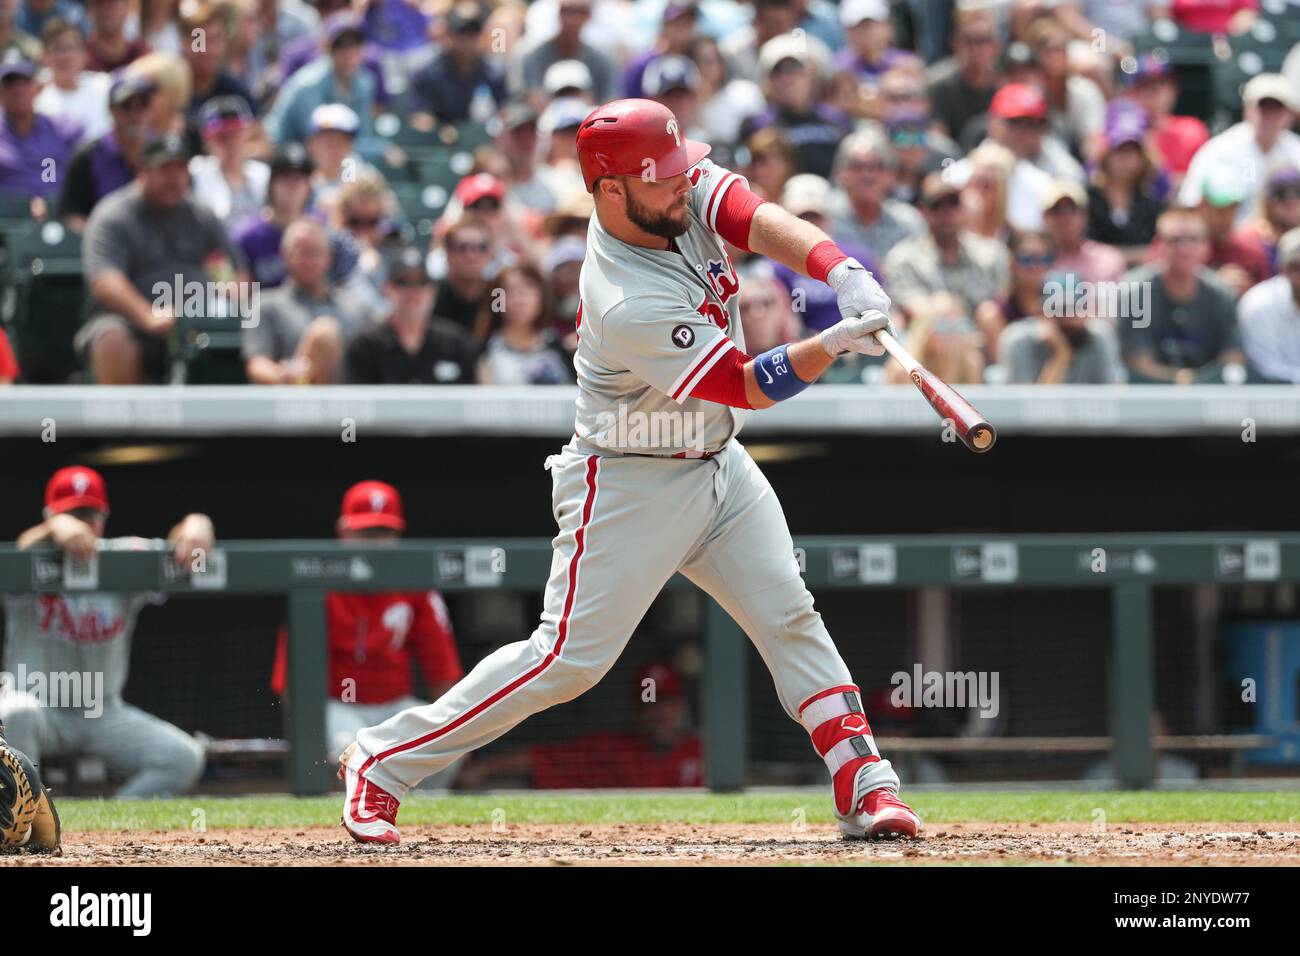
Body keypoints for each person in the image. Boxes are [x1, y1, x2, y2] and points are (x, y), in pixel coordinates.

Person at [338, 98, 922, 845]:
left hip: (718, 462)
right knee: (566, 660)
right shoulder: (620, 296)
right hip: (630, 477)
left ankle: (863, 779)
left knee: (789, 614)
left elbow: (751, 213)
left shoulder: (669, 191)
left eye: (684, 170)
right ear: (610, 190)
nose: (686, 185)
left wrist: (839, 268)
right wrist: (833, 346)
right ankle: (383, 759)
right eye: (665, 179)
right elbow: (744, 384)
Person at [0, 465, 210, 798]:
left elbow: (178, 549)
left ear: (104, 518)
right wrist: (54, 528)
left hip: (102, 709)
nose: (83, 523)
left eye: (91, 514)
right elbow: (22, 548)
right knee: (14, 713)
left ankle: (109, 822)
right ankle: (29, 819)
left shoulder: (120, 557)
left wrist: (197, 524)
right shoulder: (34, 553)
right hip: (38, 705)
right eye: (73, 513)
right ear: (50, 516)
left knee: (183, 758)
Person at [270, 480, 464, 762]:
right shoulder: (318, 584)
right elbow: (290, 683)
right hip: (337, 706)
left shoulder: (416, 584)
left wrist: (453, 734)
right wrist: (307, 742)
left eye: (383, 532)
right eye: (366, 532)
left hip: (396, 706)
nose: (375, 542)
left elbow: (443, 675)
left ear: (398, 534)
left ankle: (413, 805)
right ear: (343, 532)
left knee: (445, 749)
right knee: (352, 750)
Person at [78, 134, 239, 385]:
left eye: (181, 169)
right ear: (142, 170)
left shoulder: (202, 216)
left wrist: (226, 302)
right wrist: (148, 315)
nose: (174, 179)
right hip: (135, 325)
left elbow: (231, 273)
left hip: (198, 323)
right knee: (111, 338)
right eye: (165, 169)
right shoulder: (113, 216)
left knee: (250, 329)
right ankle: (122, 423)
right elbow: (105, 281)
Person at [454, 664, 704, 789]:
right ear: (636, 711)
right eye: (651, 704)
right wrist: (484, 769)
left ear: (681, 706)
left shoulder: (704, 752)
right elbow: (538, 759)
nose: (659, 713)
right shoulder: (613, 750)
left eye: (667, 702)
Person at [242, 218, 379, 385]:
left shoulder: (357, 307)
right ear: (285, 256)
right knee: (324, 335)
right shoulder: (264, 304)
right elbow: (257, 364)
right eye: (301, 252)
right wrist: (285, 376)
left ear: (329, 258)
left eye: (315, 253)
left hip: (352, 406)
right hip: (292, 402)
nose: (309, 261)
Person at [1119, 207, 1244, 384]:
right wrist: (1180, 380)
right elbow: (1136, 362)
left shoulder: (1220, 294)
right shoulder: (1136, 292)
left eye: (1193, 240)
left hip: (1209, 397)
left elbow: (1233, 358)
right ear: (1159, 245)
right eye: (1175, 240)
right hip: (1148, 397)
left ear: (1206, 246)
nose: (1185, 249)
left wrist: (1195, 382)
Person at [883, 171, 1010, 322]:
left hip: (982, 339)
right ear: (923, 211)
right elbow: (916, 310)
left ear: (962, 207)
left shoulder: (991, 255)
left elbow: (1003, 304)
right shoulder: (903, 259)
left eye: (953, 203)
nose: (946, 212)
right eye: (936, 205)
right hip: (932, 338)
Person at [343, 246, 478, 385]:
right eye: (402, 282)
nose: (413, 291)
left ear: (433, 290)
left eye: (422, 282)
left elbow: (471, 399)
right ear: (386, 289)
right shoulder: (365, 346)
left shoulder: (455, 343)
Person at [264, 12, 385, 163]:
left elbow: (362, 136)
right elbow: (319, 139)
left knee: (361, 172)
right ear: (328, 48)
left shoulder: (365, 82)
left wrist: (382, 148)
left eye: (354, 45)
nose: (348, 53)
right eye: (340, 46)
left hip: (332, 154)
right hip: (287, 154)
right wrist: (379, 149)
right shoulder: (309, 84)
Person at [1179, 74, 1300, 226]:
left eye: (1276, 108)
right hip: (1230, 238)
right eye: (1263, 107)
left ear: (1290, 115)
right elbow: (1190, 201)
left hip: (1286, 238)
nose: (1269, 116)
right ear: (1247, 110)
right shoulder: (1219, 150)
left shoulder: (1296, 151)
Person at [739, 33, 848, 180]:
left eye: (795, 70)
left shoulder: (836, 119)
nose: (787, 79)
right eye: (778, 72)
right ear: (767, 81)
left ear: (810, 76)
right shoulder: (757, 125)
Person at [57, 72, 154, 229]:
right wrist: (104, 239)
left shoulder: (162, 153)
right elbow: (71, 215)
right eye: (126, 106)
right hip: (101, 247)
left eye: (141, 105)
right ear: (111, 110)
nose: (135, 114)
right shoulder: (87, 156)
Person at [999, 271, 1127, 384]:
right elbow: (1027, 408)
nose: (1068, 317)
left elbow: (1115, 400)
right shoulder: (1019, 341)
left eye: (1076, 308)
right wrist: (1060, 355)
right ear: (1040, 313)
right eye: (1059, 309)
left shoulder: (1099, 336)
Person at [829, 129, 925, 265]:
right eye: (858, 167)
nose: (868, 176)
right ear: (841, 173)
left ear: (891, 176)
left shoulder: (908, 222)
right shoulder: (825, 217)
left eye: (878, 167)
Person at [408, 1, 506, 129]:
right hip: (440, 142)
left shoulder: (494, 72)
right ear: (448, 34)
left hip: (484, 142)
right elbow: (421, 121)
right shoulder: (425, 71)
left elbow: (503, 116)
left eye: (474, 33)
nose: (468, 41)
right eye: (462, 33)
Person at [229, 144, 314, 288]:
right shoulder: (246, 237)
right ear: (271, 184)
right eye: (286, 178)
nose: (292, 186)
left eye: (299, 179)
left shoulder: (319, 231)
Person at [1086, 106, 1166, 258]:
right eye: (1120, 150)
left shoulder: (1150, 204)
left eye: (1133, 152)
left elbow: (1158, 252)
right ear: (1107, 154)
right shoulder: (1088, 199)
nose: (1126, 160)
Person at [0, 50, 81, 199]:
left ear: (37, 87)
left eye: (24, 82)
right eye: (9, 83)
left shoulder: (64, 131)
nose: (17, 90)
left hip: (54, 216)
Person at [474, 263, 573, 385]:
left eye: (528, 289)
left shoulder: (558, 346)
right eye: (510, 291)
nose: (520, 298)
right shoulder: (485, 351)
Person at [1122, 54, 1207, 189]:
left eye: (1162, 83)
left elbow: (1200, 182)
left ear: (1174, 90)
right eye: (1146, 85)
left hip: (1181, 207)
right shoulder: (1120, 131)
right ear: (1132, 92)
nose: (1155, 91)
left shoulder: (1191, 130)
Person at [925, 1, 1000, 148]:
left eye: (983, 40)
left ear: (996, 46)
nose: (976, 49)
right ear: (955, 44)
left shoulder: (1004, 83)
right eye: (969, 41)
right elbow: (938, 140)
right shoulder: (940, 86)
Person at [188, 95, 268, 229]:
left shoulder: (263, 174)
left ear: (247, 132)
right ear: (207, 140)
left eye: (235, 134)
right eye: (222, 137)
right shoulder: (196, 173)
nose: (230, 143)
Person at [516, 0, 615, 107]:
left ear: (588, 16)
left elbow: (610, 102)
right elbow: (532, 96)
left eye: (580, 12)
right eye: (566, 11)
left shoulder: (602, 60)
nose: (572, 18)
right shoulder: (534, 57)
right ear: (559, 13)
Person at [974, 229, 1055, 358]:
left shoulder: (1060, 306)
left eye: (1044, 259)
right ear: (1012, 263)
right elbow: (1005, 364)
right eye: (1027, 260)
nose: (1036, 267)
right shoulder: (993, 312)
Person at [34, 17, 111, 143]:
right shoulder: (36, 98)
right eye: (57, 49)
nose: (64, 56)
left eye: (71, 48)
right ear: (45, 57)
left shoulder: (104, 85)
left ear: (85, 55)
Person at [1238, 227, 1300, 382]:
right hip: (1268, 399)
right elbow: (1266, 369)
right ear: (1282, 269)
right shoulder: (1259, 305)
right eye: (1297, 267)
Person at [1041, 180, 1127, 285]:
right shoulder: (1033, 262)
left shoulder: (1108, 260)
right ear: (1044, 217)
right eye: (1056, 210)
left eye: (1071, 209)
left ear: (1085, 215)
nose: (1064, 218)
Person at [432, 217, 494, 332]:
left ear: (490, 254)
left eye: (481, 248)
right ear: (447, 253)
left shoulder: (499, 293)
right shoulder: (431, 294)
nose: (471, 256)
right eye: (462, 247)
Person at [82, 0, 149, 74]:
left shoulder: (141, 52)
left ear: (127, 8)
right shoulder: (80, 56)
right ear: (90, 9)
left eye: (114, 4)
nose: (108, 11)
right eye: (101, 4)